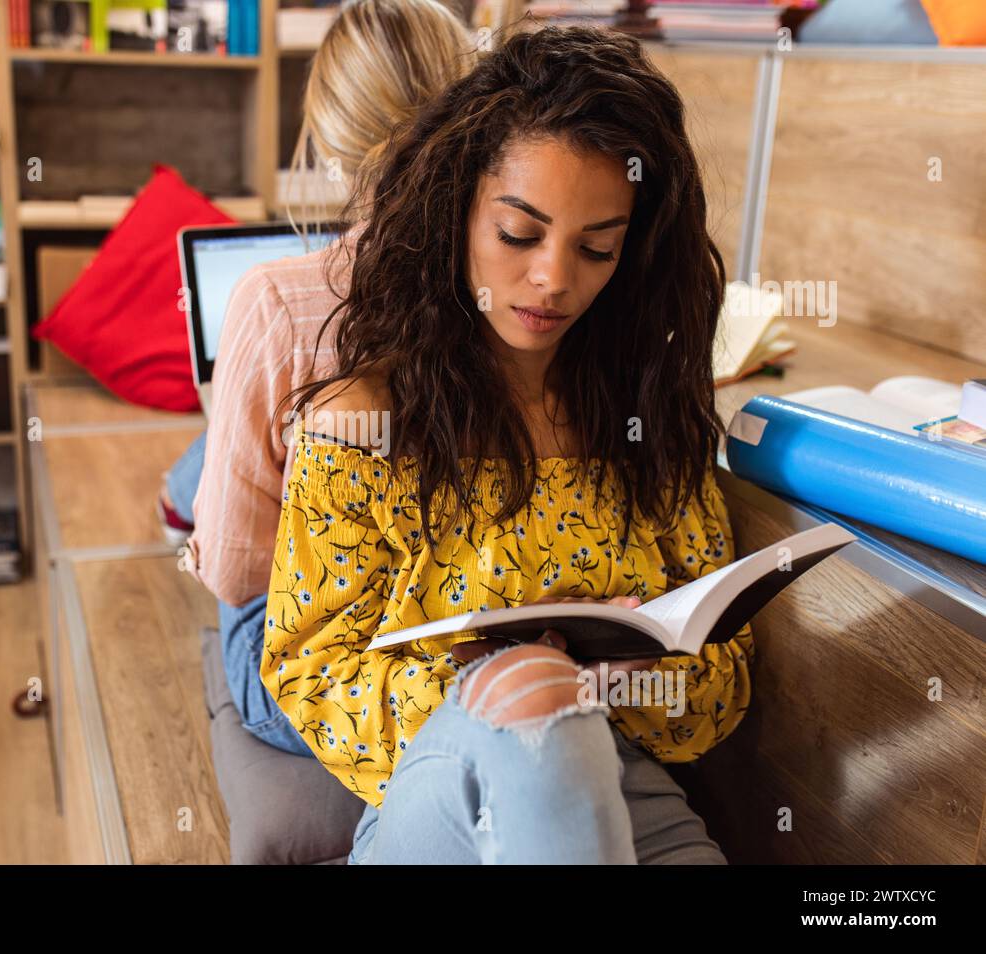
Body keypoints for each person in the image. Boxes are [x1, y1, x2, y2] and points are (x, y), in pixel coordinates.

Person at [264, 24, 755, 863]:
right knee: (531, 707)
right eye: (519, 236)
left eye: (596, 247)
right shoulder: (362, 422)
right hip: (445, 795)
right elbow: (309, 672)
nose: (555, 279)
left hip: (629, 793)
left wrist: (610, 681)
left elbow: (723, 680)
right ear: (454, 215)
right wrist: (505, 683)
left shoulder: (648, 425)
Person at [169, 0, 479, 756]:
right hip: (472, 634)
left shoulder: (276, 299)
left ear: (334, 151)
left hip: (332, 686)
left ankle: (182, 498)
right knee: (208, 462)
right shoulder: (532, 284)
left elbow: (240, 576)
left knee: (211, 487)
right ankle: (186, 487)